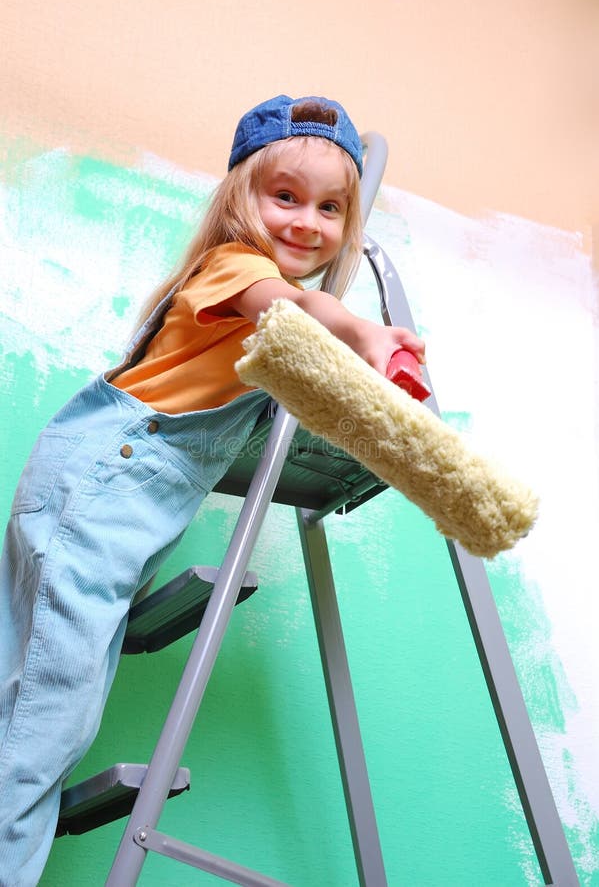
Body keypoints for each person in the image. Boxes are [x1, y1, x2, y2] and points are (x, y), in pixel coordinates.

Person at [0, 94, 425, 885]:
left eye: (330, 207)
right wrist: (367, 334)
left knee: (23, 695)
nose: (307, 221)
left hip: (100, 486)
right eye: (285, 196)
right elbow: (294, 305)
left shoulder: (255, 318)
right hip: (107, 482)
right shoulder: (236, 270)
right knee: (47, 722)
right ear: (239, 200)